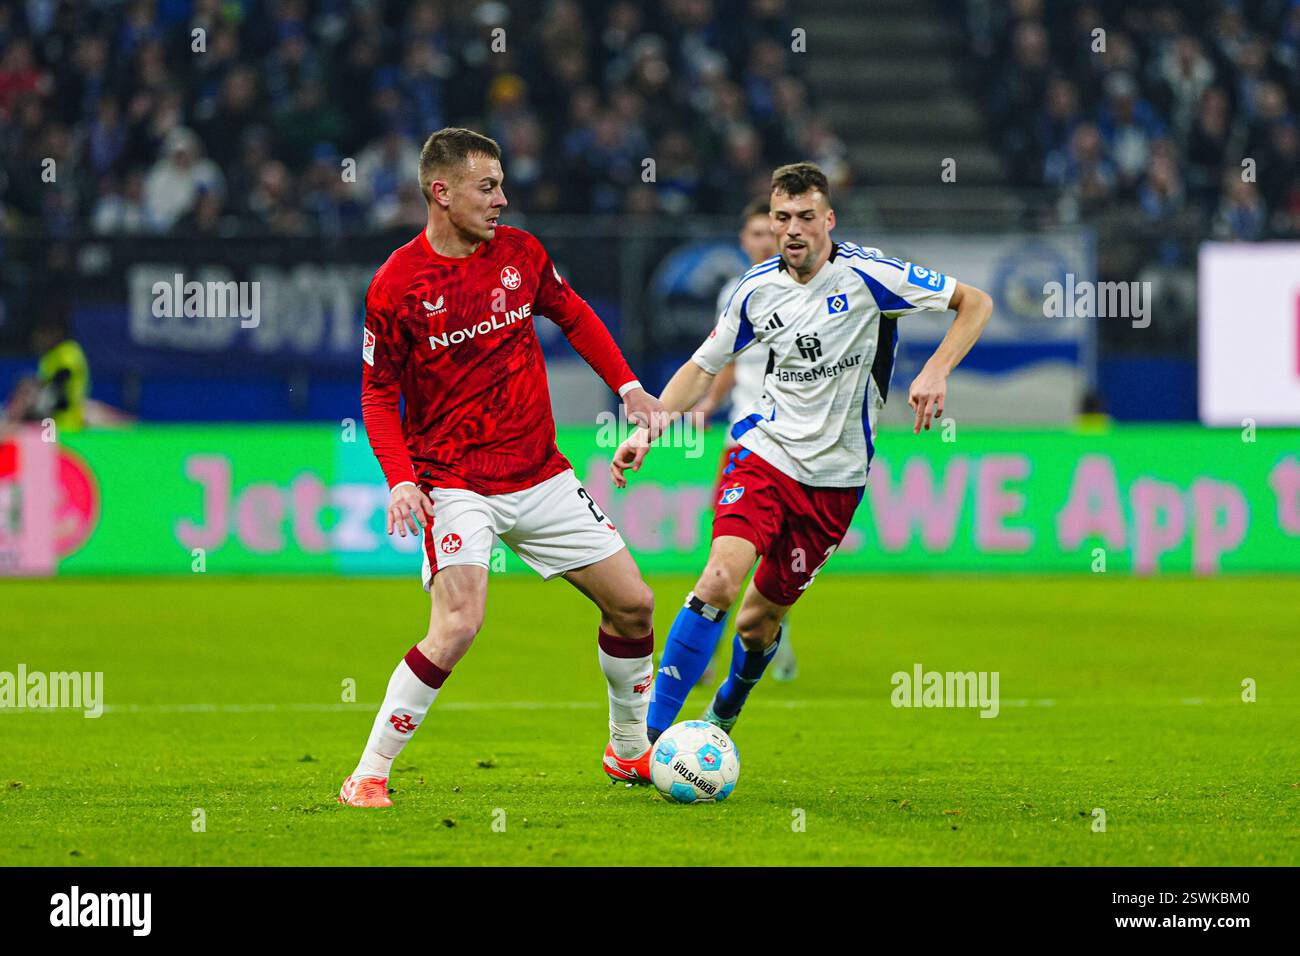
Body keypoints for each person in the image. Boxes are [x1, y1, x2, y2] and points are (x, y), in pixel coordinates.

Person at [340, 128, 666, 807]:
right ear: (442, 192)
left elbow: (573, 316)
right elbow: (377, 393)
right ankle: (369, 772)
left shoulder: (521, 254)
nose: (501, 199)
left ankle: (629, 750)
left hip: (540, 472)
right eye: (487, 187)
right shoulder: (397, 285)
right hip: (454, 482)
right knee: (458, 624)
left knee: (634, 605)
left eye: (500, 185)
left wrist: (629, 386)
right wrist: (401, 477)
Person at [613, 162, 993, 742]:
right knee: (717, 579)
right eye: (782, 217)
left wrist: (937, 370)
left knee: (758, 624)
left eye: (805, 217)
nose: (792, 229)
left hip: (837, 481)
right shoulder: (753, 290)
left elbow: (977, 303)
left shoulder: (871, 276)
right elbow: (702, 367)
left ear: (828, 220)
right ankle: (644, 742)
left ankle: (728, 704)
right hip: (763, 454)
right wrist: (648, 428)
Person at [691, 199, 797, 684]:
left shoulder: (807, 289)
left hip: (796, 442)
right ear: (743, 240)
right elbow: (725, 358)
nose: (762, 241)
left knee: (781, 556)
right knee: (725, 556)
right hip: (745, 439)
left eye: (767, 232)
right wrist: (706, 404)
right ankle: (707, 653)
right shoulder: (738, 292)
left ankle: (771, 632)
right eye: (754, 233)